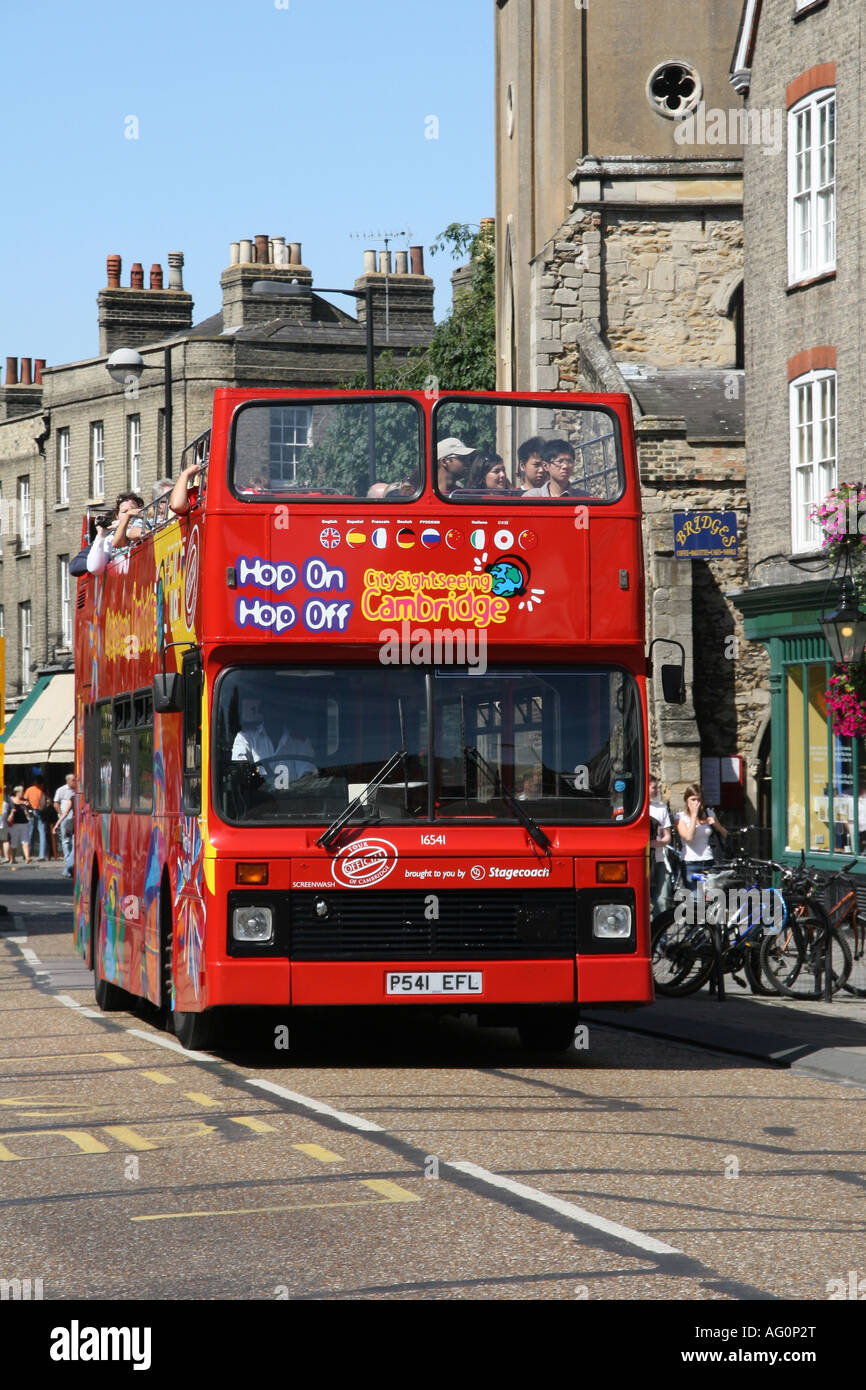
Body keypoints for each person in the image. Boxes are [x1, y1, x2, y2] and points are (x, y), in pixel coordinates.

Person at [676, 783, 727, 886]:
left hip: (709, 860)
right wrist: (694, 816)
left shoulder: (709, 813)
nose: (696, 803)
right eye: (693, 799)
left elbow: (725, 833)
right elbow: (689, 838)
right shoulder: (680, 817)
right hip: (690, 862)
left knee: (712, 897)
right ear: (686, 800)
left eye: (699, 800)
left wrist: (716, 825)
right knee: (696, 899)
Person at [649, 774, 671, 918]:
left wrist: (654, 844)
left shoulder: (660, 809)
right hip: (643, 861)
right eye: (654, 787)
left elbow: (667, 836)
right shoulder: (633, 808)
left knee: (662, 899)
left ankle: (660, 938)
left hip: (659, 859)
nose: (657, 790)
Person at [231, 698, 275, 763]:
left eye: (277, 708)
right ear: (262, 711)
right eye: (271, 708)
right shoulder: (245, 737)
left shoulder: (294, 740)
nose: (274, 713)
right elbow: (240, 769)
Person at [24, 775, 49, 861]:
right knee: (42, 833)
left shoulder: (29, 789)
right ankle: (41, 855)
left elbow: (25, 800)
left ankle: (28, 854)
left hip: (31, 811)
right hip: (41, 812)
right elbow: (48, 801)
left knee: (29, 832)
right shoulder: (44, 790)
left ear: (35, 781)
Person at [7, 787, 32, 866]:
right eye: (22, 792)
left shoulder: (25, 801)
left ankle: (27, 857)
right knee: (14, 842)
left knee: (25, 841)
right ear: (17, 792)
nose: (23, 793)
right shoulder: (11, 800)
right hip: (14, 824)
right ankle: (12, 858)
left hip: (24, 823)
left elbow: (30, 813)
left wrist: (28, 807)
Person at [54, 774, 75, 864]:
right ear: (68, 781)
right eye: (73, 780)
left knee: (74, 839)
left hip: (73, 817)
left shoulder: (77, 789)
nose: (75, 782)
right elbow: (55, 803)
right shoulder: (61, 790)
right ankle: (67, 858)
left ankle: (72, 858)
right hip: (65, 817)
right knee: (66, 838)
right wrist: (61, 814)